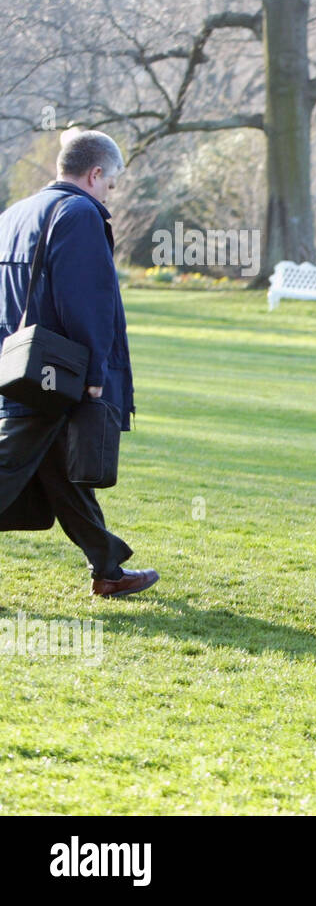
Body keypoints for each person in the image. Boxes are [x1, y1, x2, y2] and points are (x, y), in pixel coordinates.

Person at [0, 129, 158, 598]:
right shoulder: (81, 214)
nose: (110, 192)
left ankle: (108, 568)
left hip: (18, 367)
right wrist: (94, 378)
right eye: (111, 183)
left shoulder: (15, 213)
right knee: (8, 467)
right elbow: (86, 300)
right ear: (95, 173)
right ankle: (108, 568)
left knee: (57, 467)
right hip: (56, 371)